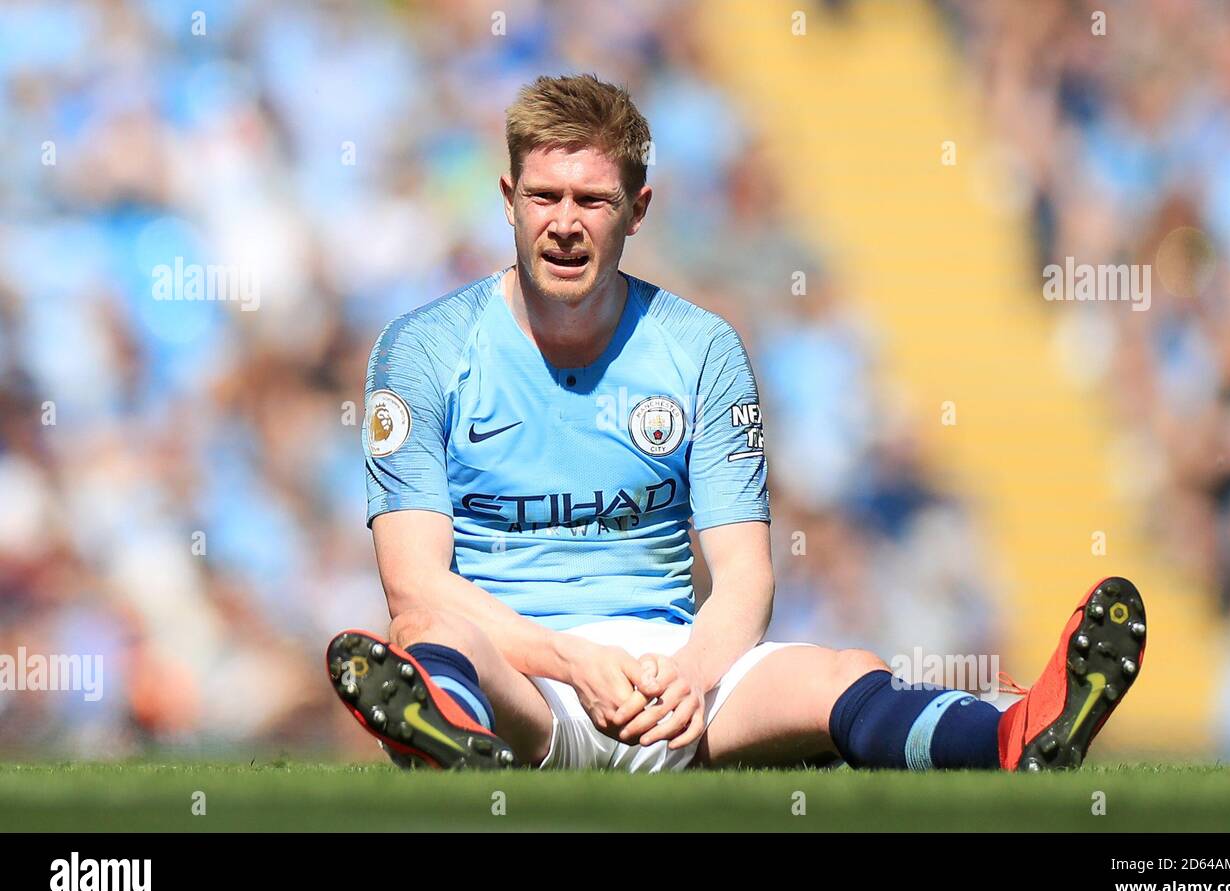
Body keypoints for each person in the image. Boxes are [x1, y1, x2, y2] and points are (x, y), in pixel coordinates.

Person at [326, 74, 1146, 773]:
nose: (565, 222)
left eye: (593, 200)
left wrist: (691, 673)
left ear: (637, 209)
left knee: (843, 671)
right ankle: (460, 744)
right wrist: (575, 661)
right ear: (507, 199)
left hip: (674, 677)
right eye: (543, 196)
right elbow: (416, 579)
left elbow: (746, 574)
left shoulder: (700, 349)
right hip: (521, 677)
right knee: (422, 630)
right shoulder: (424, 349)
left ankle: (1016, 740)